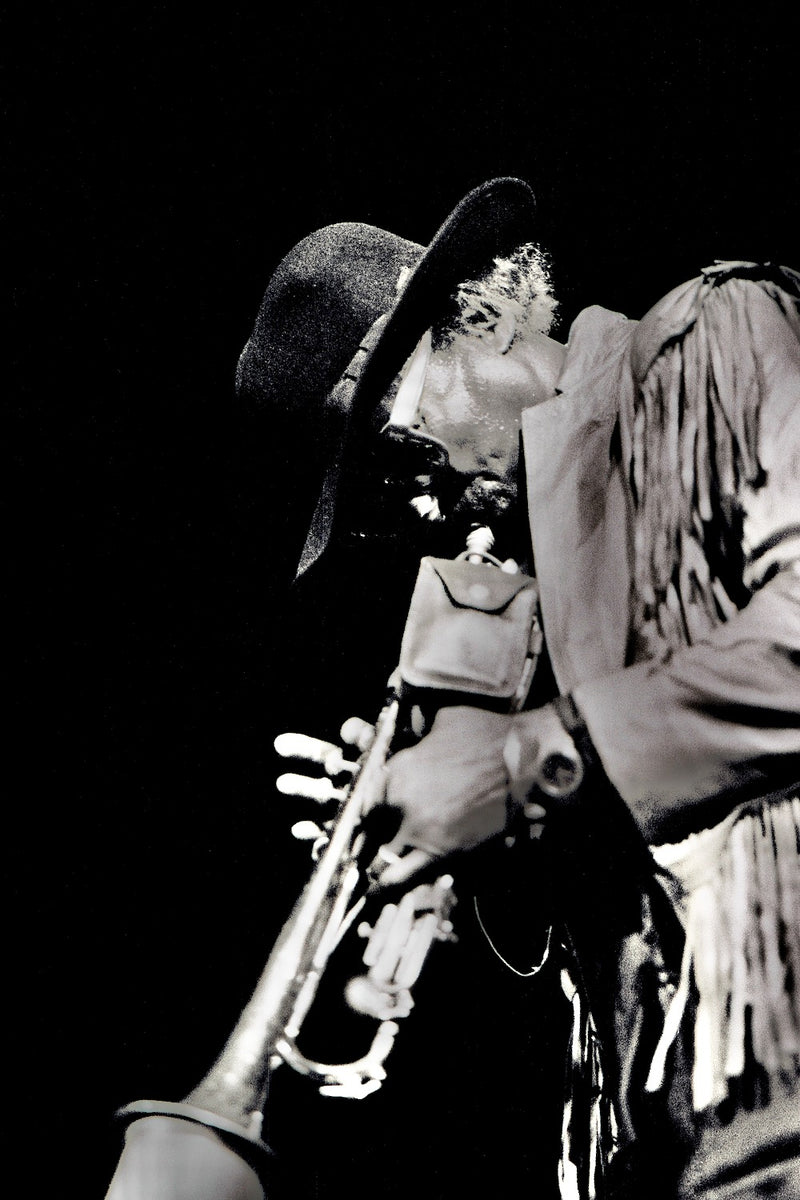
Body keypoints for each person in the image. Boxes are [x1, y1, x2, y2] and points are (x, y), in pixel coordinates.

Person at [107, 179, 800, 1200]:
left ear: (483, 319)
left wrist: (515, 767)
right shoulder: (551, 595)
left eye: (392, 444)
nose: (412, 498)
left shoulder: (712, 341)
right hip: (697, 1151)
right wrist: (450, 841)